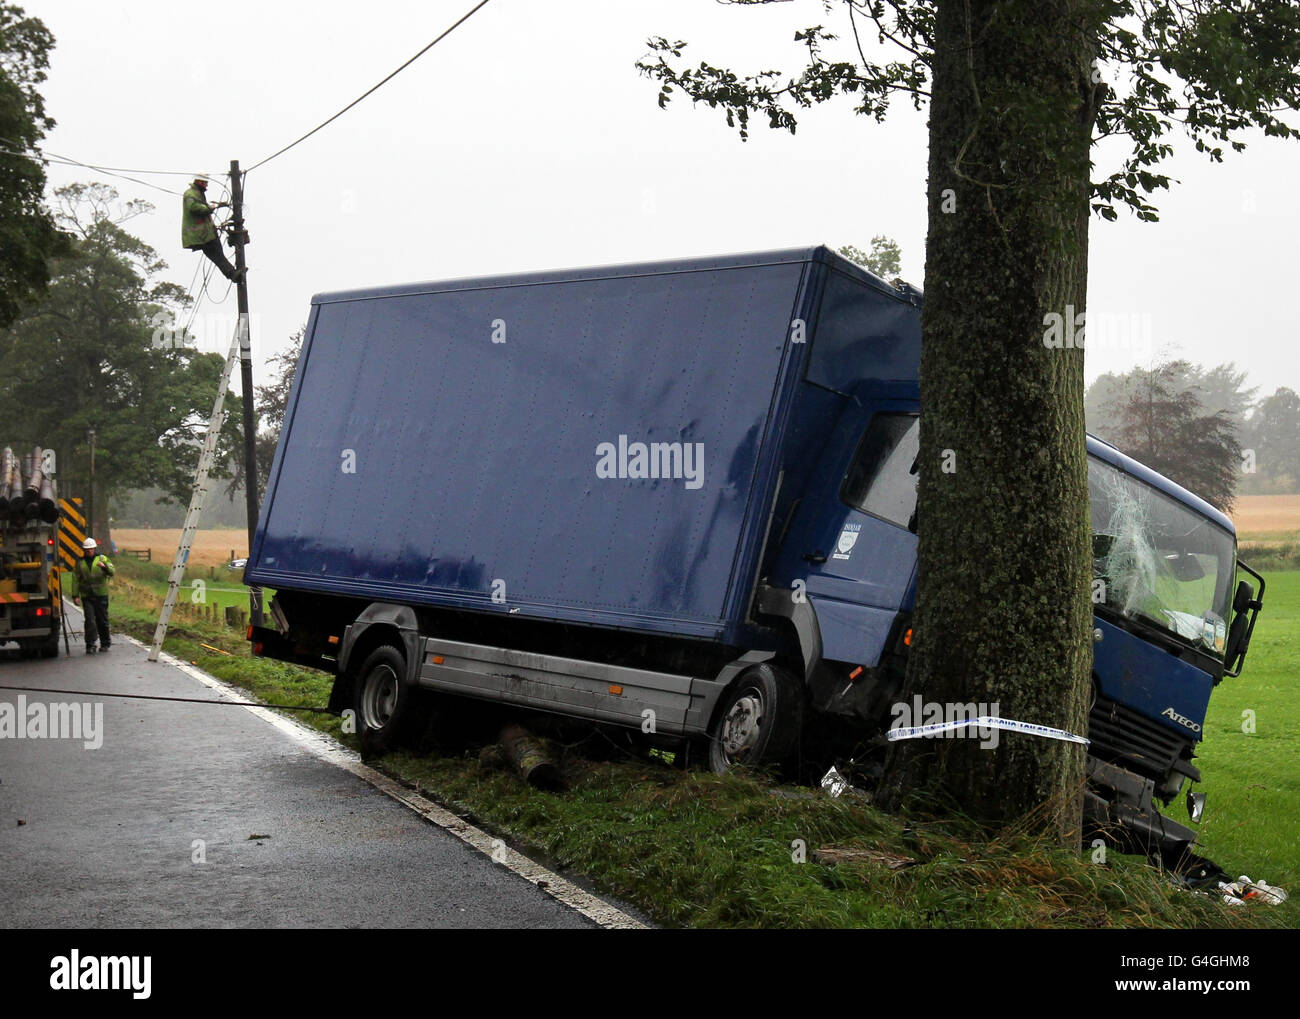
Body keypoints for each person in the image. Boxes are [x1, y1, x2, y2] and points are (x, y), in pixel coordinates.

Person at [181, 177, 244, 282]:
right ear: (199, 181)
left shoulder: (198, 193)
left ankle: (233, 273)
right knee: (217, 254)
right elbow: (194, 207)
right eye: (205, 183)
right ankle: (232, 274)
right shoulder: (190, 194)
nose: (206, 185)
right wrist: (209, 208)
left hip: (205, 234)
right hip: (200, 235)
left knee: (217, 254)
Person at [73, 537, 115, 654]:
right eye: (86, 549)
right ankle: (90, 644)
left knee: (102, 620)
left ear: (94, 548)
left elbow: (112, 571)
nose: (89, 551)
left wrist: (104, 567)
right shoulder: (80, 563)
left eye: (91, 549)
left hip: (101, 595)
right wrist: (75, 595)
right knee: (90, 620)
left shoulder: (102, 559)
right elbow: (75, 579)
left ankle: (105, 643)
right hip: (87, 596)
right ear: (84, 550)